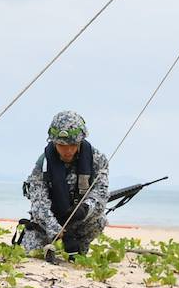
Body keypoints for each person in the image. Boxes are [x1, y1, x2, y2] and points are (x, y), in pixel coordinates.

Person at [18, 110, 110, 260]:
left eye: (73, 145)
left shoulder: (97, 160)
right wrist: (57, 231)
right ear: (53, 142)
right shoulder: (43, 164)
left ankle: (79, 248)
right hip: (49, 221)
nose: (67, 151)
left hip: (79, 219)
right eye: (61, 145)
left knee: (99, 221)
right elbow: (39, 203)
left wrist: (85, 209)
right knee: (30, 255)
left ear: (80, 141)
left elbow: (101, 194)